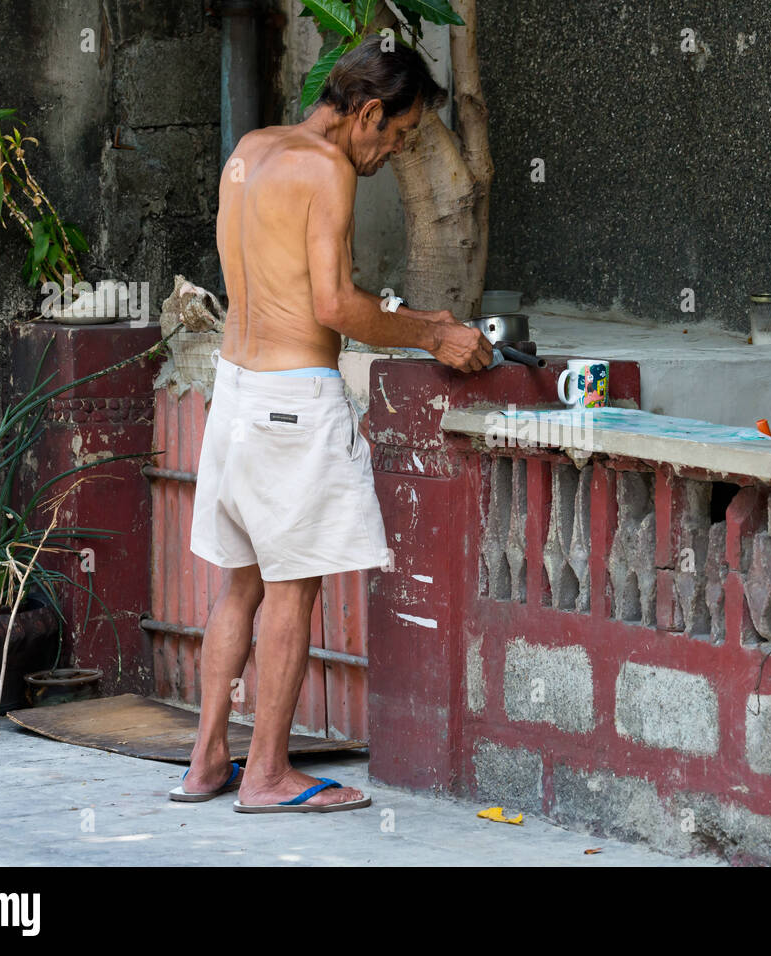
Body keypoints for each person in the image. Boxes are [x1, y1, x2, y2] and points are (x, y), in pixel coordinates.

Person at [174, 35, 493, 813]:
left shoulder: (251, 150)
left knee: (240, 585)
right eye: (400, 134)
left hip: (237, 389)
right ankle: (269, 776)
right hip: (292, 400)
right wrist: (433, 332)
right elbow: (333, 307)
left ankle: (207, 760)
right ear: (370, 112)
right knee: (293, 587)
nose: (392, 152)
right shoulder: (326, 169)